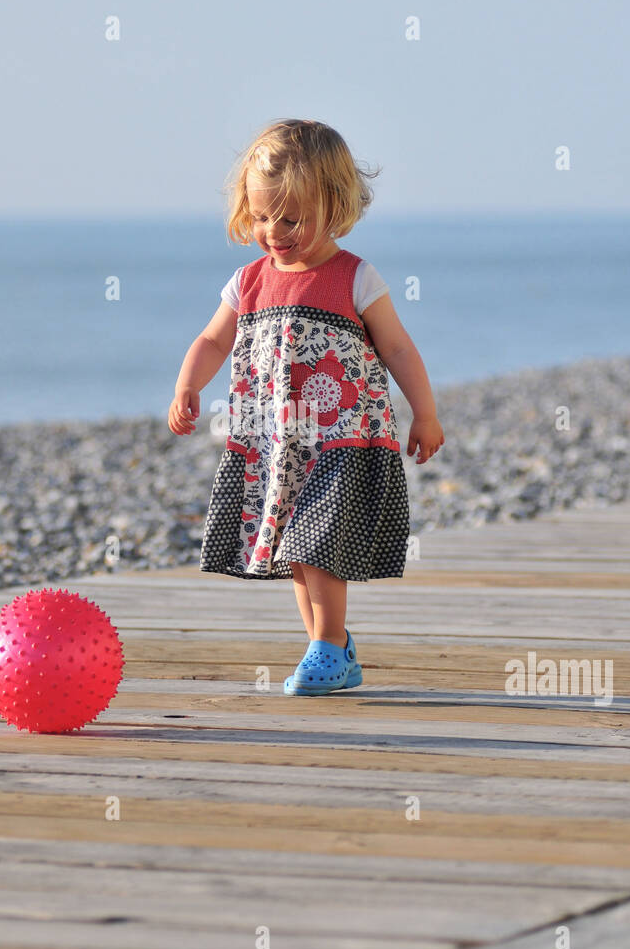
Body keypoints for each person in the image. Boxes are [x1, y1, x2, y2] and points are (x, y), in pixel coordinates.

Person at [168, 119, 444, 695]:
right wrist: (187, 385)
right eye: (263, 216)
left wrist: (424, 413)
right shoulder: (248, 281)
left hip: (343, 436)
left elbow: (396, 346)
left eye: (291, 218)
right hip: (279, 442)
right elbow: (213, 340)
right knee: (295, 550)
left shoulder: (354, 277)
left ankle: (326, 645)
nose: (275, 231)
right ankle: (332, 646)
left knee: (316, 541)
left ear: (335, 204)